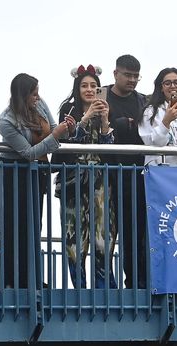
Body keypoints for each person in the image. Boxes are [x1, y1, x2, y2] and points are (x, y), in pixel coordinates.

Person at [0, 73, 72, 288]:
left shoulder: (40, 105)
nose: (37, 98)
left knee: (33, 225)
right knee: (14, 226)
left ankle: (32, 276)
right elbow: (28, 152)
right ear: (22, 96)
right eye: (33, 94)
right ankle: (13, 280)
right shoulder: (6, 121)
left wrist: (67, 129)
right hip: (13, 171)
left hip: (37, 171)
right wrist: (55, 136)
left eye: (38, 93)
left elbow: (53, 129)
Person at [54, 66, 115, 289]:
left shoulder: (105, 109)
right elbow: (65, 143)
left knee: (103, 235)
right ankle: (78, 287)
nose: (90, 90)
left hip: (100, 180)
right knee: (74, 238)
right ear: (77, 88)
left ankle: (104, 286)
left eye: (94, 86)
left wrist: (105, 120)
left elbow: (110, 148)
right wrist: (86, 117)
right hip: (74, 181)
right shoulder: (68, 110)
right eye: (84, 86)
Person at [103, 54, 149, 288]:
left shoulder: (144, 101)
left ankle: (136, 281)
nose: (132, 80)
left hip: (138, 174)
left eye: (136, 76)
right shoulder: (102, 96)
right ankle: (104, 285)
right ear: (115, 74)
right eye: (127, 75)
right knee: (106, 235)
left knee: (137, 232)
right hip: (107, 175)